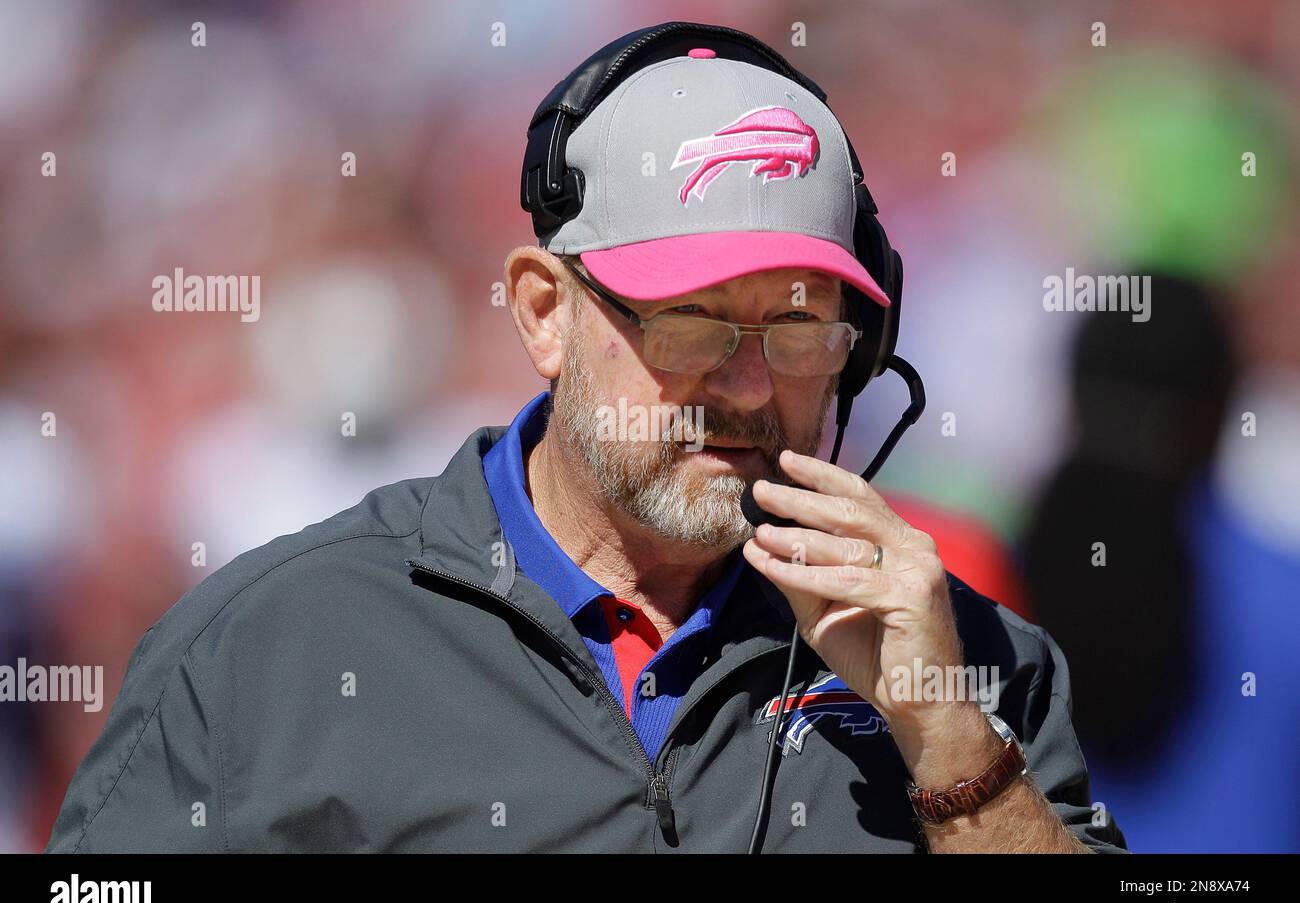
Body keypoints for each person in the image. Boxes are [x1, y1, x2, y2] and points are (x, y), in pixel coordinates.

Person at [45, 25, 1125, 853]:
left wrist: (950, 745)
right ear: (543, 313)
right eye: (691, 321)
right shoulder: (267, 644)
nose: (749, 384)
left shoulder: (963, 657)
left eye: (798, 327)